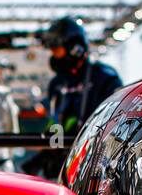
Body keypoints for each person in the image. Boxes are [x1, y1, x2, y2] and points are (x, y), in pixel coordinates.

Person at [35, 16, 123, 177]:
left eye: (57, 50)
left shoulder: (104, 76)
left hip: (96, 163)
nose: (54, 56)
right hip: (63, 165)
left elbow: (117, 123)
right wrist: (46, 152)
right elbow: (54, 123)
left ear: (74, 48)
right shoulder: (56, 83)